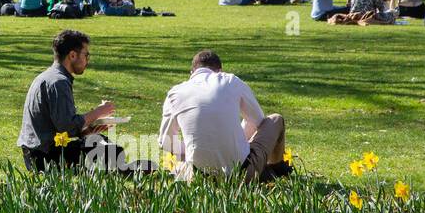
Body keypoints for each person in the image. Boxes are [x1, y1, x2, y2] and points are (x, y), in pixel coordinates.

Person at [18, 30, 146, 173]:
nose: (87, 60)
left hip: (36, 154)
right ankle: (128, 172)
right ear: (72, 55)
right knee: (107, 150)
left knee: (99, 141)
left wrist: (87, 130)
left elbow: (61, 126)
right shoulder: (58, 82)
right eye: (86, 55)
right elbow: (67, 127)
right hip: (46, 159)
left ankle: (125, 169)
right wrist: (98, 112)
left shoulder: (48, 77)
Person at [158, 49, 291, 183]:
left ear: (191, 73)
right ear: (220, 70)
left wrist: (191, 152)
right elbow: (258, 121)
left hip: (201, 178)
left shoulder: (175, 93)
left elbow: (165, 142)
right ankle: (276, 170)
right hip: (243, 172)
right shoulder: (230, 80)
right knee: (275, 119)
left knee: (178, 166)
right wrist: (238, 142)